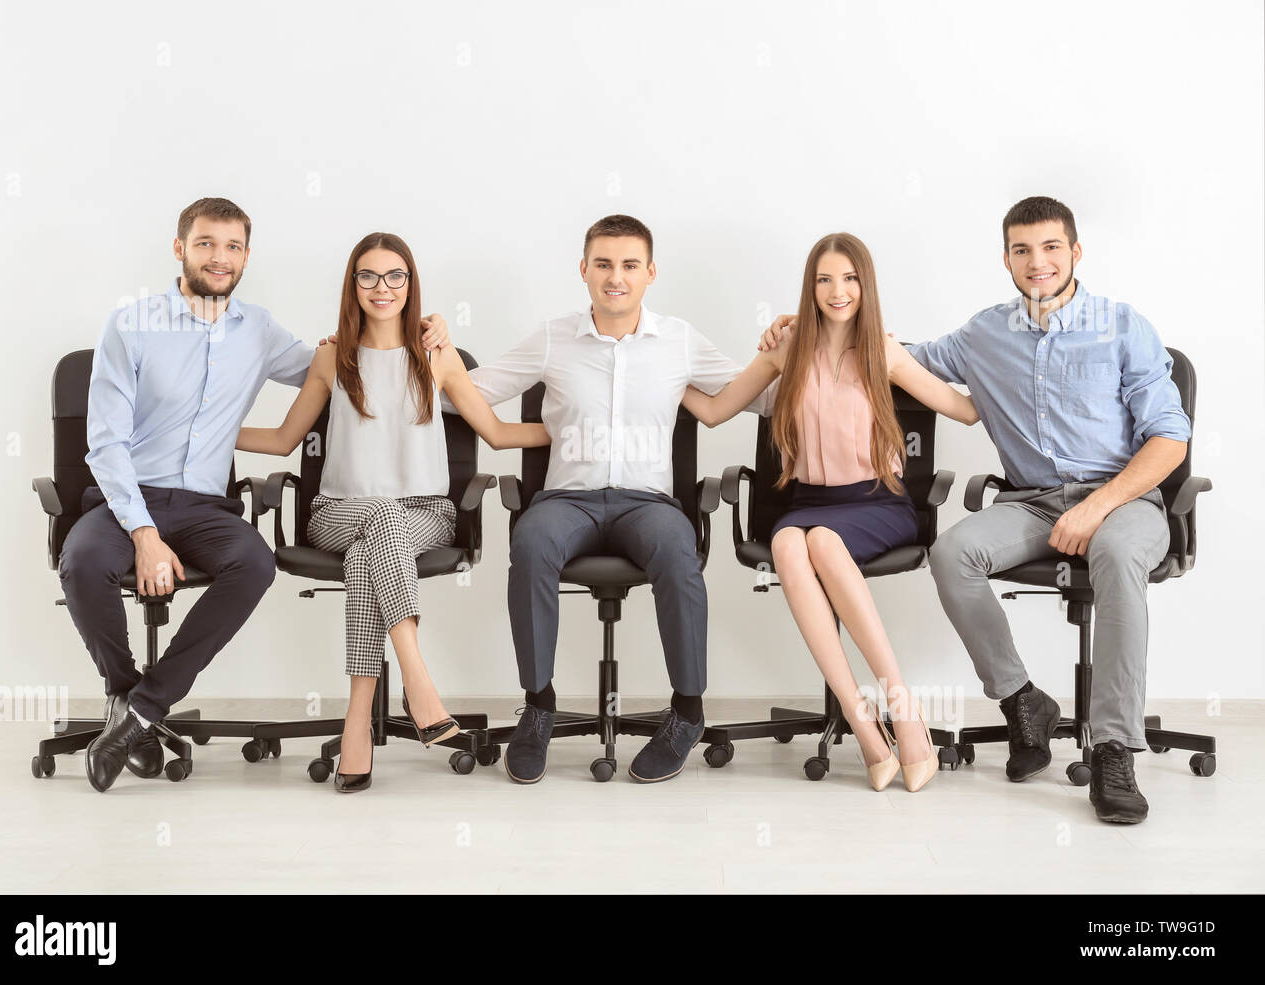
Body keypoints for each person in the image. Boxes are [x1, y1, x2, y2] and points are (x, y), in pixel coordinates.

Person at [761, 197, 1190, 822]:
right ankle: (1021, 700)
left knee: (1118, 556)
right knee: (953, 552)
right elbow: (889, 352)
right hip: (1032, 503)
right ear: (1006, 258)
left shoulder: (1124, 327)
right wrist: (806, 324)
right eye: (1022, 250)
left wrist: (1098, 506)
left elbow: (1169, 442)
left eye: (1050, 248)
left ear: (1076, 252)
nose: (1037, 263)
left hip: (1122, 499)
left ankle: (1115, 750)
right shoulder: (985, 334)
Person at [62, 199, 448, 793]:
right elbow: (104, 444)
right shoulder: (131, 325)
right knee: (83, 561)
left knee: (254, 564)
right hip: (126, 496)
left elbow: (340, 364)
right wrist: (143, 533)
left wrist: (424, 329)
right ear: (180, 249)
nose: (220, 257)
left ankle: (143, 708)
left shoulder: (260, 331)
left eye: (233, 246)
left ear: (246, 256)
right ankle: (126, 697)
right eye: (206, 244)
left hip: (205, 506)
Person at [443, 214, 778, 784]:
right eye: (603, 264)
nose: (615, 277)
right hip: (566, 501)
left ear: (650, 272)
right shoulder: (553, 338)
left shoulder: (679, 341)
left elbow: (757, 398)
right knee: (529, 542)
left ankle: (688, 712)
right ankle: (538, 705)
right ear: (584, 270)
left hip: (648, 504)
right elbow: (470, 396)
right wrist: (432, 356)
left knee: (678, 553)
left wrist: (786, 350)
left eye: (628, 265)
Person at [238, 232, 549, 792]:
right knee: (377, 523)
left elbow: (500, 434)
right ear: (352, 285)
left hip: (424, 513)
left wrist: (580, 431)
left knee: (370, 555)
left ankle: (358, 719)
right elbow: (285, 439)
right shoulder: (332, 357)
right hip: (336, 512)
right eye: (368, 276)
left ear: (411, 283)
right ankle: (417, 679)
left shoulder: (437, 355)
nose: (382, 288)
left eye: (395, 276)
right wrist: (207, 432)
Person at [682, 233, 978, 791]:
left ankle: (903, 711)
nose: (837, 290)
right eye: (824, 280)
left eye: (848, 278)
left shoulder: (884, 352)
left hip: (878, 502)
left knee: (815, 541)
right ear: (810, 287)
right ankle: (867, 728)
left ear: (865, 284)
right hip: (808, 504)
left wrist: (1016, 374)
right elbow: (718, 410)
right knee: (792, 541)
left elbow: (963, 410)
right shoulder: (785, 347)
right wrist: (663, 381)